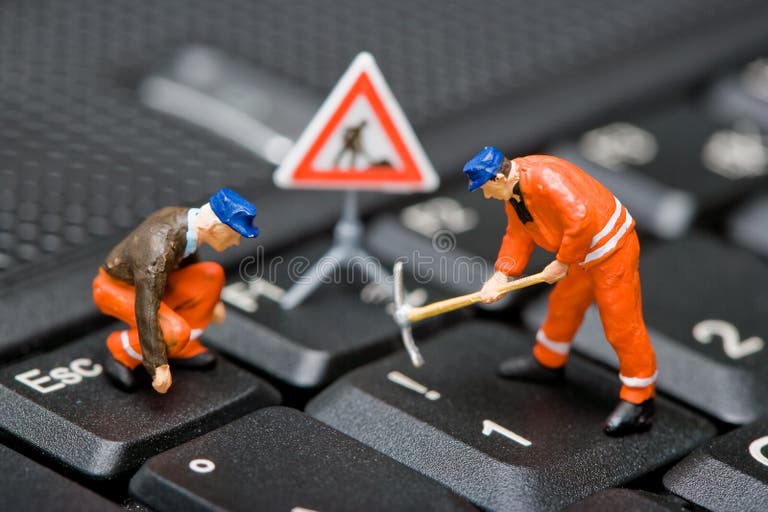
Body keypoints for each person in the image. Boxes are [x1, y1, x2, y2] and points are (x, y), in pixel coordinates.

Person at [463, 146, 657, 436]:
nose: (485, 195)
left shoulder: (546, 180)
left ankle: (639, 399)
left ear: (498, 179)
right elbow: (517, 235)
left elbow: (581, 219)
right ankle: (548, 362)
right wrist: (502, 274)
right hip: (578, 255)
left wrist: (562, 262)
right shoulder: (514, 195)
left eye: (485, 188)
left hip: (610, 251)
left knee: (621, 327)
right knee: (563, 306)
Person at [92, 188, 259, 394]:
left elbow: (186, 262)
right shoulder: (159, 247)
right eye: (234, 234)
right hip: (117, 288)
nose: (235, 242)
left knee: (211, 274)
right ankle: (120, 350)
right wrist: (157, 364)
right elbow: (146, 306)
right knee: (173, 330)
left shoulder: (189, 225)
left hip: (158, 283)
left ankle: (182, 346)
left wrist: (213, 301)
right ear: (214, 226)